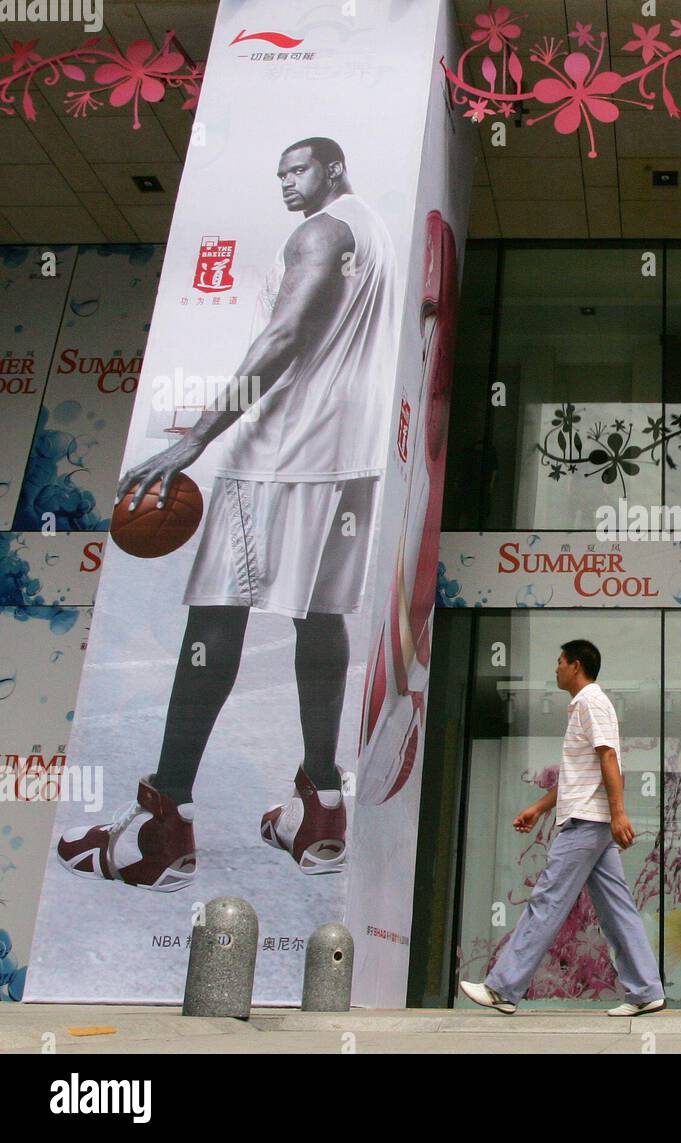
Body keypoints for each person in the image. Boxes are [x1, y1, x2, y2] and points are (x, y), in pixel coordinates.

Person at [58, 137, 398, 890]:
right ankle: (321, 806)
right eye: (277, 172)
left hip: (281, 452)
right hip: (349, 455)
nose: (285, 182)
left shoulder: (320, 231)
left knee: (215, 615)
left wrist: (196, 438)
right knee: (320, 616)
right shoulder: (373, 229)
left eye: (298, 169)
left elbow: (281, 337)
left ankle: (162, 823)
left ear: (334, 168)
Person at [460, 639, 666, 1017]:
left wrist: (619, 813)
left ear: (575, 666)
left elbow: (609, 757)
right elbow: (580, 775)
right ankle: (646, 990)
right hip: (592, 820)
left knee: (547, 900)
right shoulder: (583, 706)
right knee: (617, 910)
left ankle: (502, 988)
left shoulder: (591, 702)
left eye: (558, 662)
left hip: (587, 823)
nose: (554, 669)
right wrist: (538, 808)